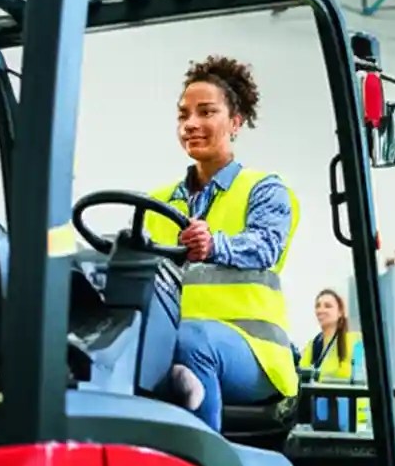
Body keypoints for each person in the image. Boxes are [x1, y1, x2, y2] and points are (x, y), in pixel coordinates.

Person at [143, 55, 300, 432]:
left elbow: (266, 247)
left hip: (254, 354)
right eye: (183, 115)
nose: (191, 124)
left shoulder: (264, 189)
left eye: (206, 112)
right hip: (177, 345)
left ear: (235, 122)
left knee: (191, 339)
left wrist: (214, 245)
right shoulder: (158, 202)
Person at [299, 289, 367, 429]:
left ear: (340, 312)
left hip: (346, 415)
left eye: (327, 306)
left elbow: (349, 374)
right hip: (318, 414)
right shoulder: (313, 344)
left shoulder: (354, 341)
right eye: (318, 306)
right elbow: (302, 373)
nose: (321, 310)